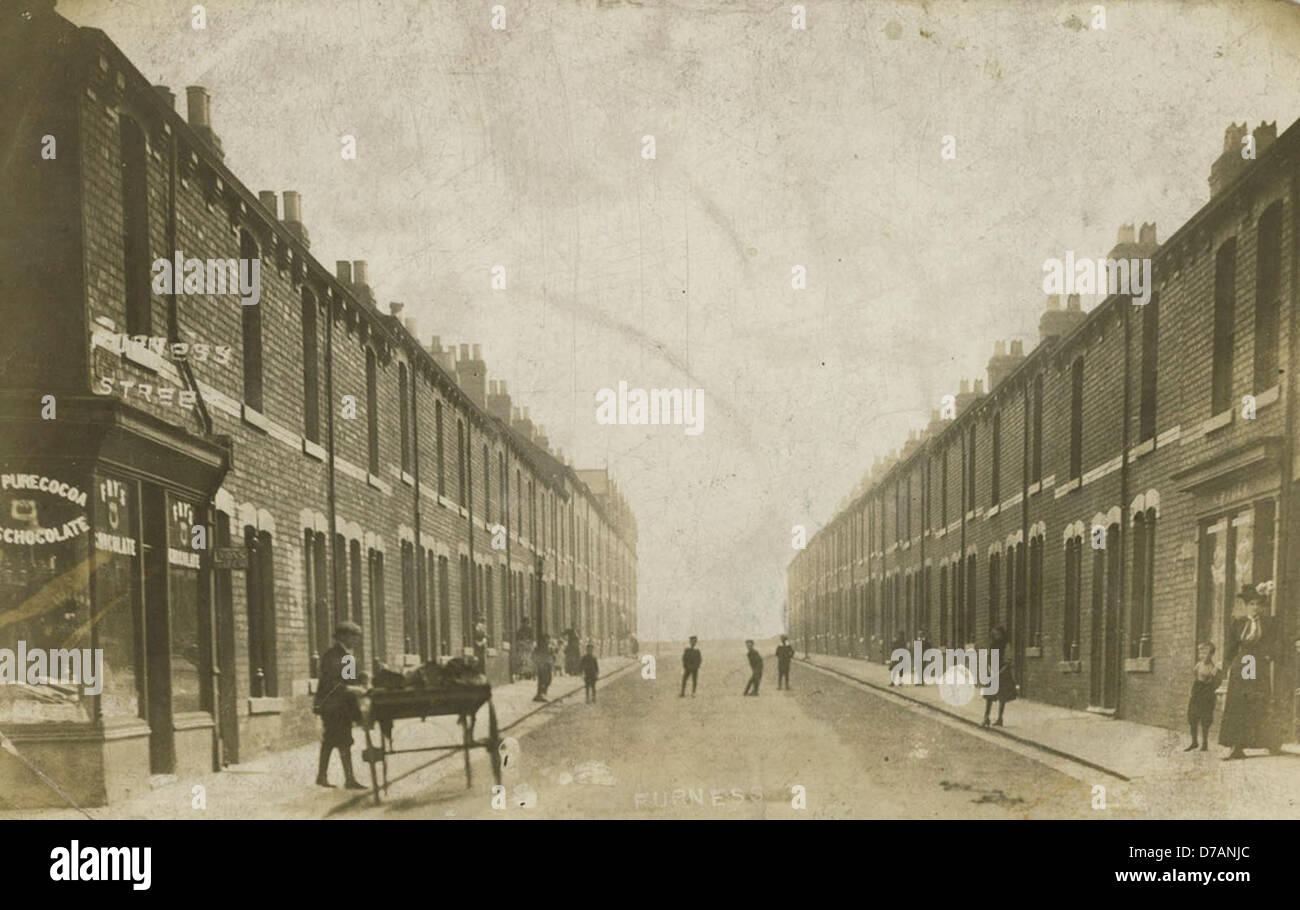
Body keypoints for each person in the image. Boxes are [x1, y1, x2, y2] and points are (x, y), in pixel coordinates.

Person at [1220, 584, 1282, 759]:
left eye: (1258, 604)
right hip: (1243, 665)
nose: (1255, 608)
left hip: (1259, 665)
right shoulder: (1238, 624)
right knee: (1240, 702)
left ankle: (1269, 742)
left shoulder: (1268, 623)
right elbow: (1231, 649)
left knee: (1260, 699)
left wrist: (1270, 655)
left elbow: (1275, 642)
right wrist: (1227, 667)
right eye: (1252, 604)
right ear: (1246, 606)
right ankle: (1236, 746)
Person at [314, 621, 368, 790]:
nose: (356, 641)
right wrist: (354, 688)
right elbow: (332, 684)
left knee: (333, 740)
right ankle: (348, 779)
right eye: (354, 637)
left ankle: (323, 776)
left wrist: (362, 679)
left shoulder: (347, 655)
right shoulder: (332, 655)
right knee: (341, 740)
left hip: (341, 705)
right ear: (343, 636)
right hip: (332, 704)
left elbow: (349, 678)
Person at [1185, 641, 1221, 752]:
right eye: (1200, 653)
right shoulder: (1198, 665)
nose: (1202, 656)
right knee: (1192, 716)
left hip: (1207, 693)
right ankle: (1194, 741)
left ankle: (1205, 743)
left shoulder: (1213, 667)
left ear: (1211, 655)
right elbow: (1195, 677)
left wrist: (1211, 681)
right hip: (1197, 691)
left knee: (1205, 717)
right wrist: (1192, 690)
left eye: (1205, 653)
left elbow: (1215, 681)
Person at [981, 625, 1017, 727]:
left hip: (1003, 674)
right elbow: (988, 659)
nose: (996, 636)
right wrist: (990, 670)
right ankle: (986, 717)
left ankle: (1000, 718)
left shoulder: (1006, 645)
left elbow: (1008, 661)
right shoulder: (992, 645)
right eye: (994, 634)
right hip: (992, 673)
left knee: (1002, 696)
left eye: (998, 634)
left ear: (1002, 634)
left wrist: (998, 673)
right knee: (989, 696)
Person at [532, 633, 553, 702]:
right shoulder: (542, 647)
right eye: (547, 639)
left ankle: (542, 694)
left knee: (547, 680)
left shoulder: (548, 647)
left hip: (547, 665)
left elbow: (551, 656)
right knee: (544, 680)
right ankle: (542, 694)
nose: (549, 641)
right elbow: (534, 655)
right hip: (543, 666)